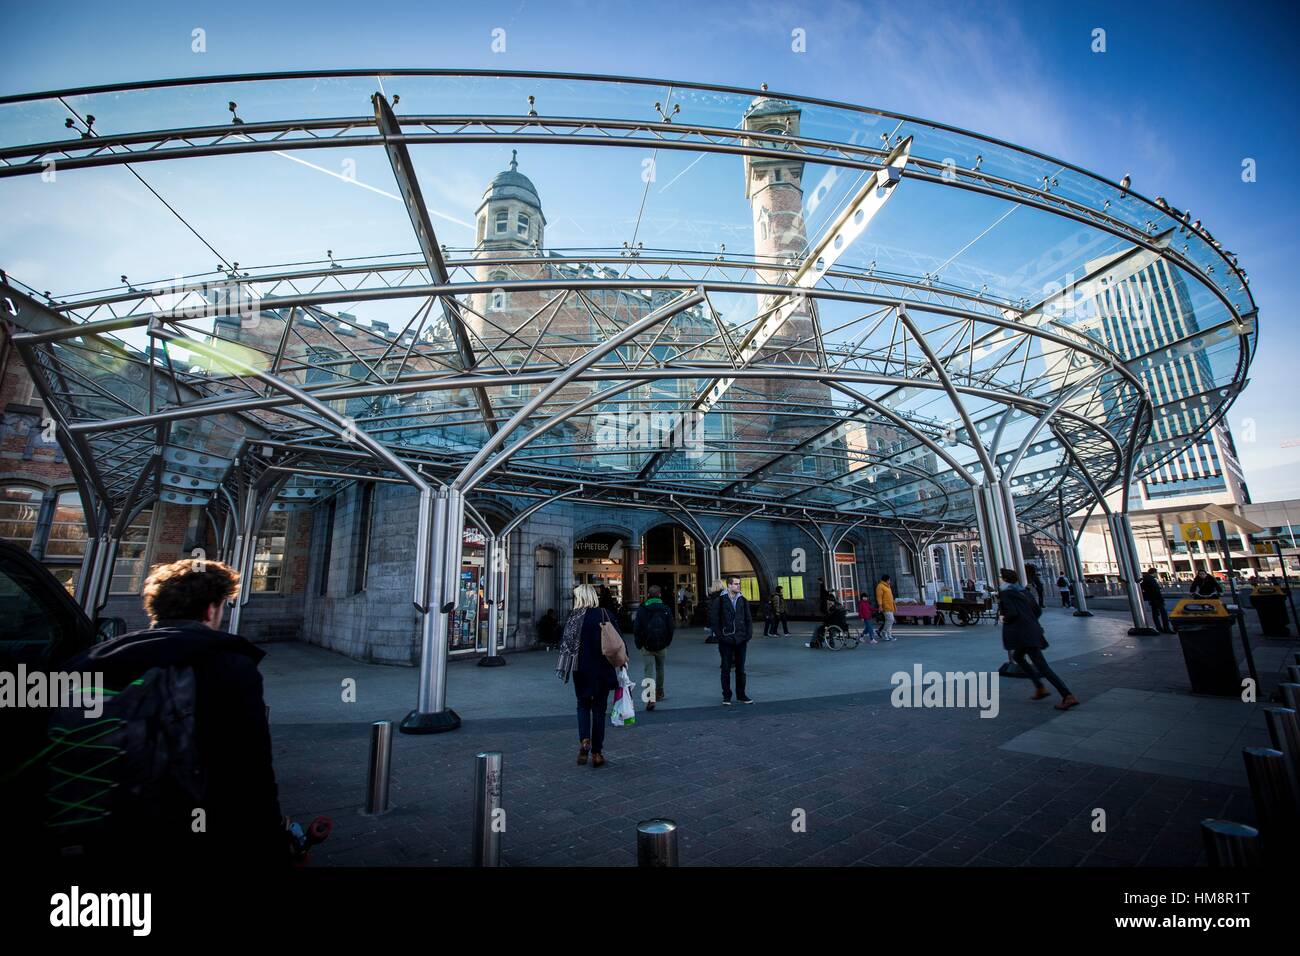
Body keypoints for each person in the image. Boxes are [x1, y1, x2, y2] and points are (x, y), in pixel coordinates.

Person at [52, 558, 286, 865]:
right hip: (180, 832)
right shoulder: (225, 664)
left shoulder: (88, 660)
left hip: (95, 832)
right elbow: (247, 767)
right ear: (211, 609)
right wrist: (270, 840)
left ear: (155, 607)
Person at [999, 568, 1079, 710]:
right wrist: (1030, 622)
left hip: (1023, 634)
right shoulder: (1024, 591)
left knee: (1042, 666)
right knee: (1018, 656)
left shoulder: (1006, 593)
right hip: (1032, 630)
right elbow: (1037, 611)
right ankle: (1039, 687)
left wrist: (1005, 619)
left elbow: (1011, 612)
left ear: (1004, 579)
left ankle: (1067, 695)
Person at [562, 584, 620, 768]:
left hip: (581, 669)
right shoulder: (605, 614)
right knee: (599, 709)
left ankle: (584, 739)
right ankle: (597, 753)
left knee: (583, 704)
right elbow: (618, 641)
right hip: (603, 668)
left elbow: (565, 644)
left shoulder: (574, 618)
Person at [709, 575, 753, 704]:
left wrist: (747, 635)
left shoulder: (743, 600)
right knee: (726, 669)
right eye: (736, 584)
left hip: (741, 640)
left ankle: (741, 695)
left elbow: (748, 619)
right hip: (726, 640)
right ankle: (726, 696)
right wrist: (720, 637)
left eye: (739, 584)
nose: (738, 586)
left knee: (741, 669)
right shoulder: (720, 601)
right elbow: (714, 620)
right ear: (728, 585)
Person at [633, 585, 674, 710]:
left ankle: (650, 698)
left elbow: (637, 629)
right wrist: (667, 642)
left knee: (648, 671)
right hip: (662, 645)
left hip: (647, 645)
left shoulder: (642, 609)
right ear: (660, 594)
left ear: (648, 595)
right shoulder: (666, 609)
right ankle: (660, 692)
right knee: (660, 668)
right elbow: (670, 628)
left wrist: (639, 644)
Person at [1140, 567, 1172, 633]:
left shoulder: (1145, 579)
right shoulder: (1151, 579)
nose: (1157, 574)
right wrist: (1161, 599)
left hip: (1152, 599)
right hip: (1157, 599)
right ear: (1154, 573)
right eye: (1156, 573)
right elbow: (1156, 591)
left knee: (1155, 614)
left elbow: (1143, 587)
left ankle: (1159, 627)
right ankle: (1166, 628)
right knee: (1164, 613)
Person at [875, 574, 897, 642]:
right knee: (890, 620)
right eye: (889, 580)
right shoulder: (880, 586)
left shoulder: (887, 586)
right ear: (886, 580)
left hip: (890, 606)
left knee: (890, 621)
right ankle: (884, 632)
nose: (890, 581)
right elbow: (879, 597)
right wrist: (880, 605)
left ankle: (889, 635)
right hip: (885, 606)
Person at [703, 578, 725, 643]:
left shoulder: (712, 597)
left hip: (715, 621)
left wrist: (708, 623)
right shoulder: (725, 595)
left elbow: (710, 611)